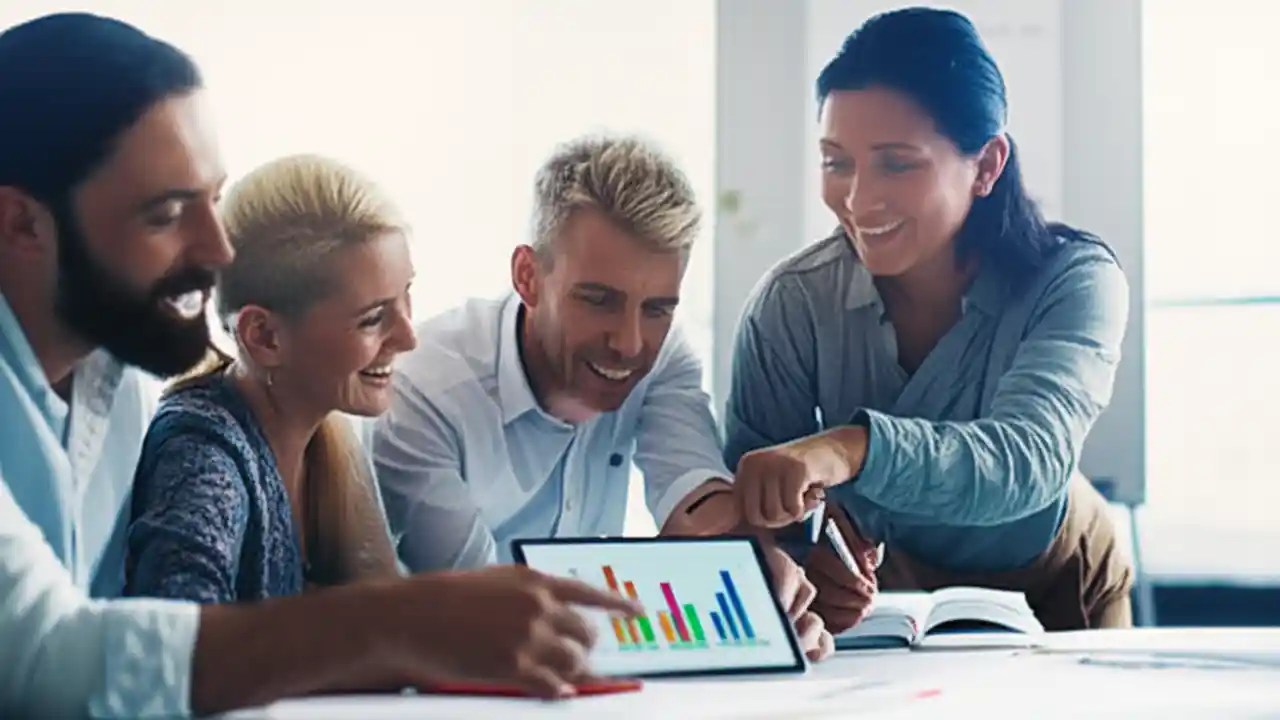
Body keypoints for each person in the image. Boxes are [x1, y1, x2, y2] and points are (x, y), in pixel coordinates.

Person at [0, 14, 639, 717]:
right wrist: (402, 624)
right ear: (21, 224)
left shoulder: (113, 381)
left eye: (213, 201)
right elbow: (41, 656)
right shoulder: (202, 439)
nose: (218, 252)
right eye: (165, 215)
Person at [724, 7, 1135, 632]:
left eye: (897, 163)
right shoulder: (791, 304)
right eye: (837, 162)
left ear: (988, 165)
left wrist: (847, 448)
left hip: (1057, 577)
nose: (858, 199)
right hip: (889, 596)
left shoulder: (1075, 280)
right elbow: (760, 511)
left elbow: (1029, 459)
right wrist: (808, 556)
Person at [374, 135, 838, 660]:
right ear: (528, 276)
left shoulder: (663, 357)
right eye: (598, 301)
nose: (630, 343)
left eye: (657, 309)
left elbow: (696, 499)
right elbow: (483, 616)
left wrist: (755, 574)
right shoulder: (425, 391)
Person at [126, 155, 414, 601]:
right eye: (373, 318)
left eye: (406, 297)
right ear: (264, 336)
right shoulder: (205, 457)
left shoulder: (329, 437)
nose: (409, 337)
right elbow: (177, 639)